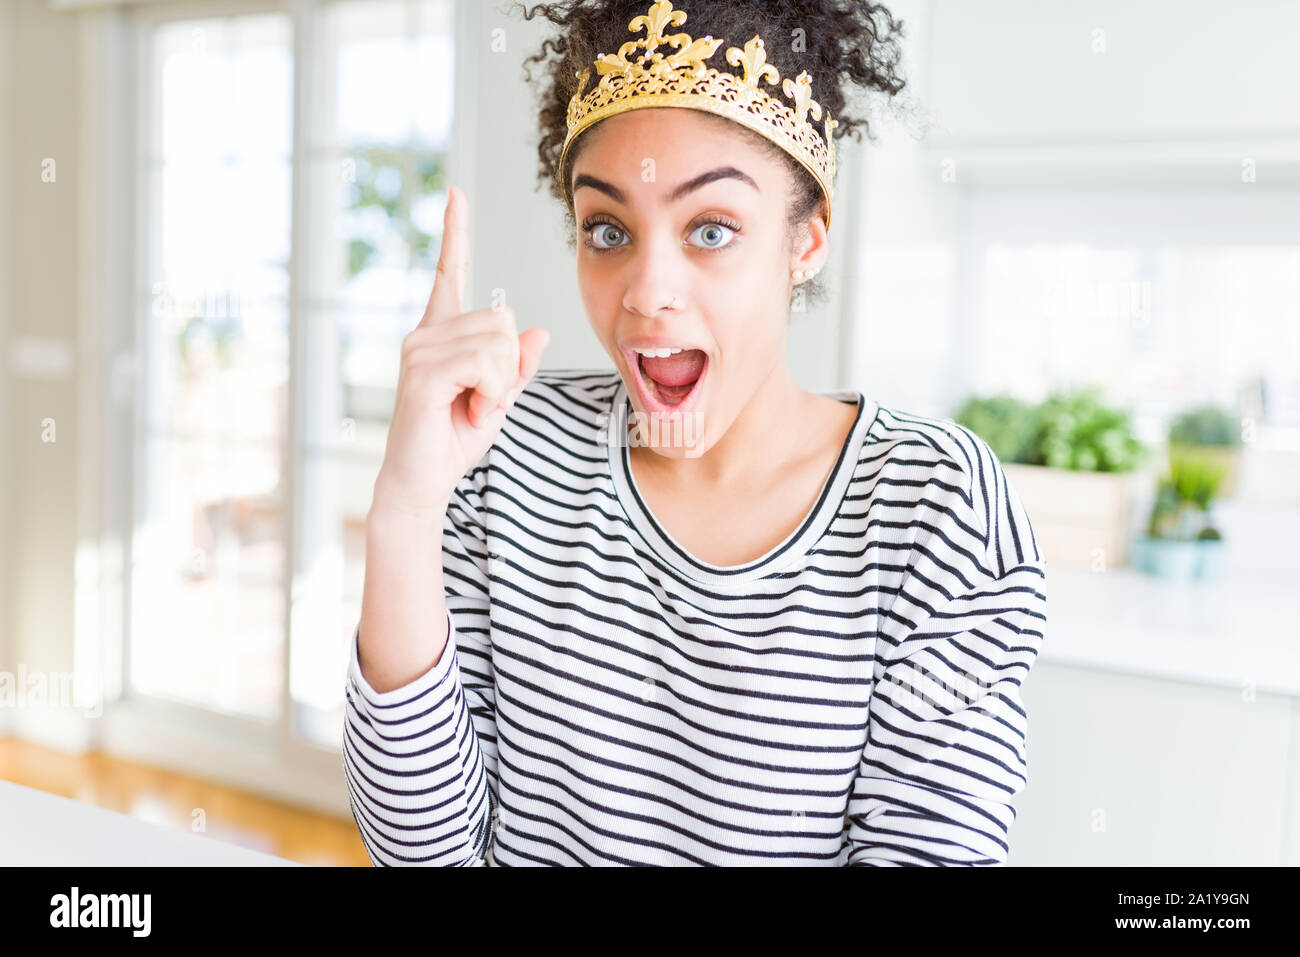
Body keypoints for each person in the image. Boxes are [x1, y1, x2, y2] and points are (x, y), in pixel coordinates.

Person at [343, 0, 1047, 866]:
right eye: (608, 230)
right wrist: (405, 513)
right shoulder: (503, 450)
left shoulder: (936, 507)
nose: (646, 290)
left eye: (711, 230)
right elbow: (426, 853)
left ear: (805, 243)